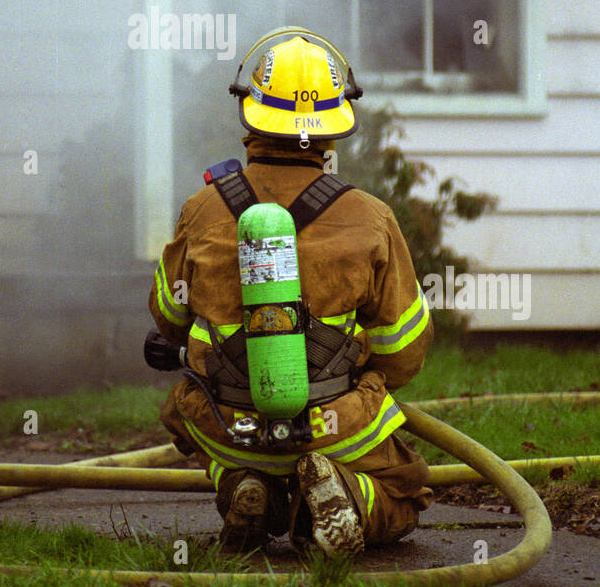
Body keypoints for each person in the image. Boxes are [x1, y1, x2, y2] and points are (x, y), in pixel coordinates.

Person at [145, 29, 434, 555]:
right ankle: (345, 494)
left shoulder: (202, 207)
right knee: (406, 486)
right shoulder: (372, 218)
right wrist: (357, 377)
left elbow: (168, 318)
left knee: (183, 405)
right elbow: (403, 349)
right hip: (332, 427)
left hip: (227, 424)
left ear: (250, 113)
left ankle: (243, 484)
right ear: (334, 127)